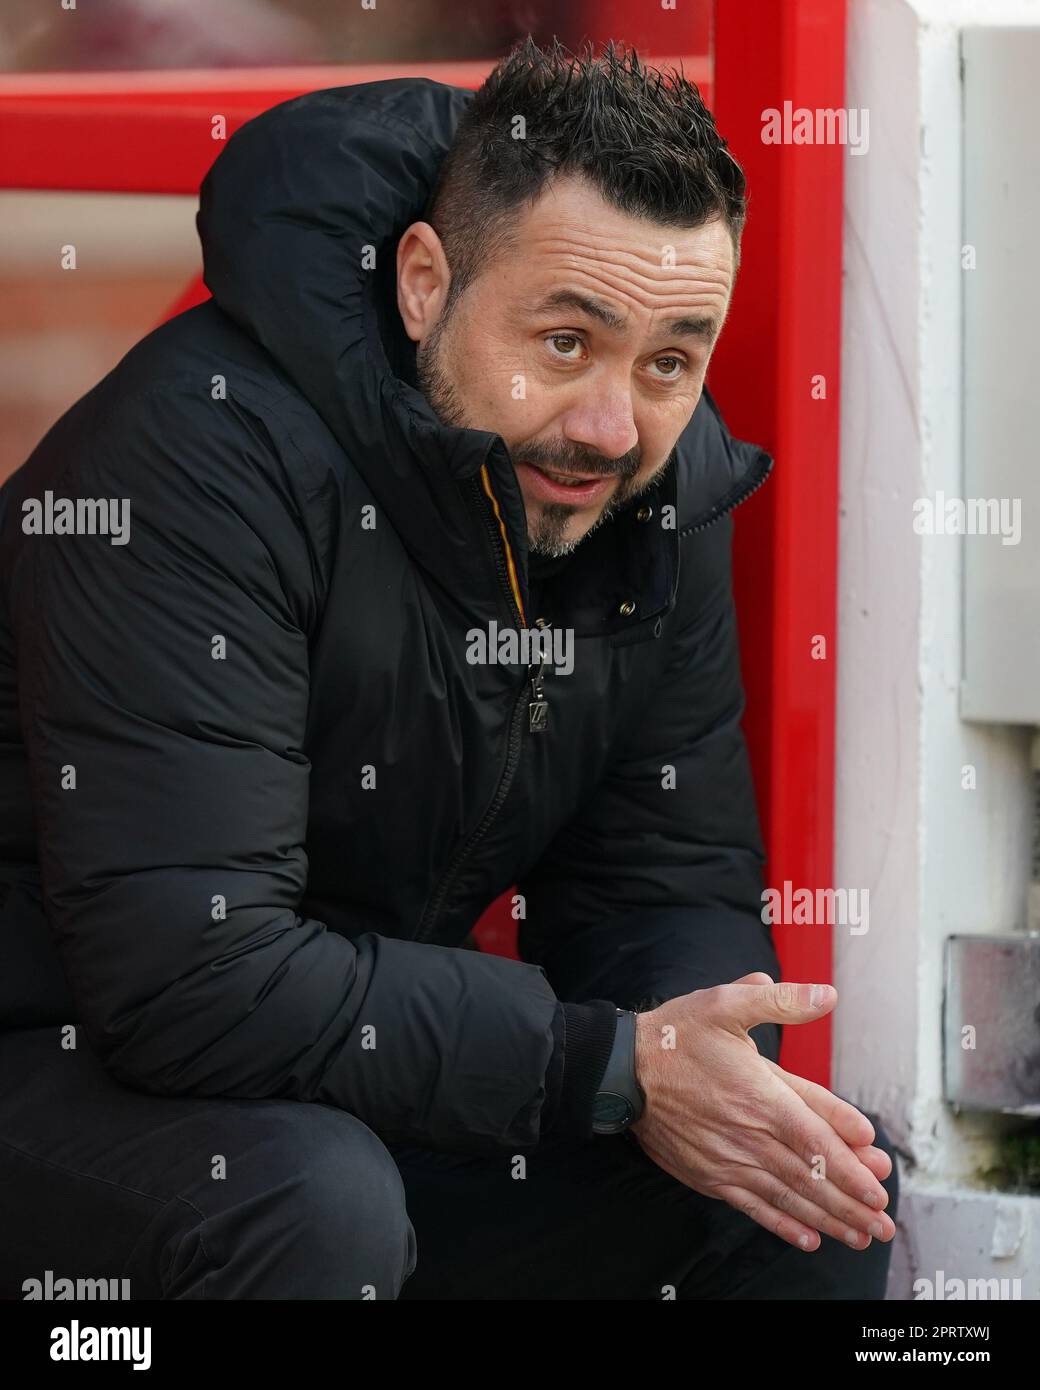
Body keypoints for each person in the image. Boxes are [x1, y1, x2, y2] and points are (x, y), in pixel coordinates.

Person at [0, 36, 897, 1300]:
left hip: (335, 1079)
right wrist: (606, 1066)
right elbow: (190, 978)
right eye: (565, 340)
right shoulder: (193, 462)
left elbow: (658, 887)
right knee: (305, 1203)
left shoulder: (649, 495)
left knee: (809, 1195)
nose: (609, 425)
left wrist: (697, 1068)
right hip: (70, 1059)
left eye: (668, 361)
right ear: (423, 282)